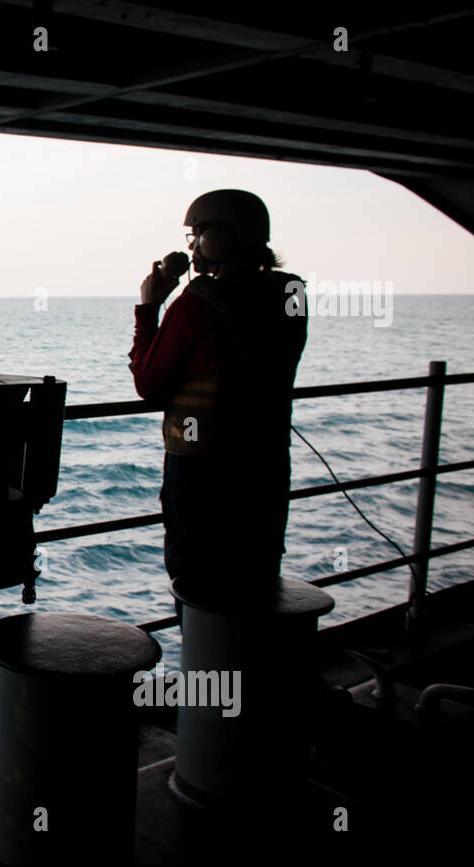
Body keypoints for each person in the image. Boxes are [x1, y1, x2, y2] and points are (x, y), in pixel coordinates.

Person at [128, 189, 308, 604]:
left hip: (203, 474)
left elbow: (148, 383)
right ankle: (251, 666)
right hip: (266, 462)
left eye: (197, 236)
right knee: (255, 578)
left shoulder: (198, 303)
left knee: (199, 584)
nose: (192, 247)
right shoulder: (291, 294)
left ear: (216, 240)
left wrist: (150, 308)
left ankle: (206, 666)